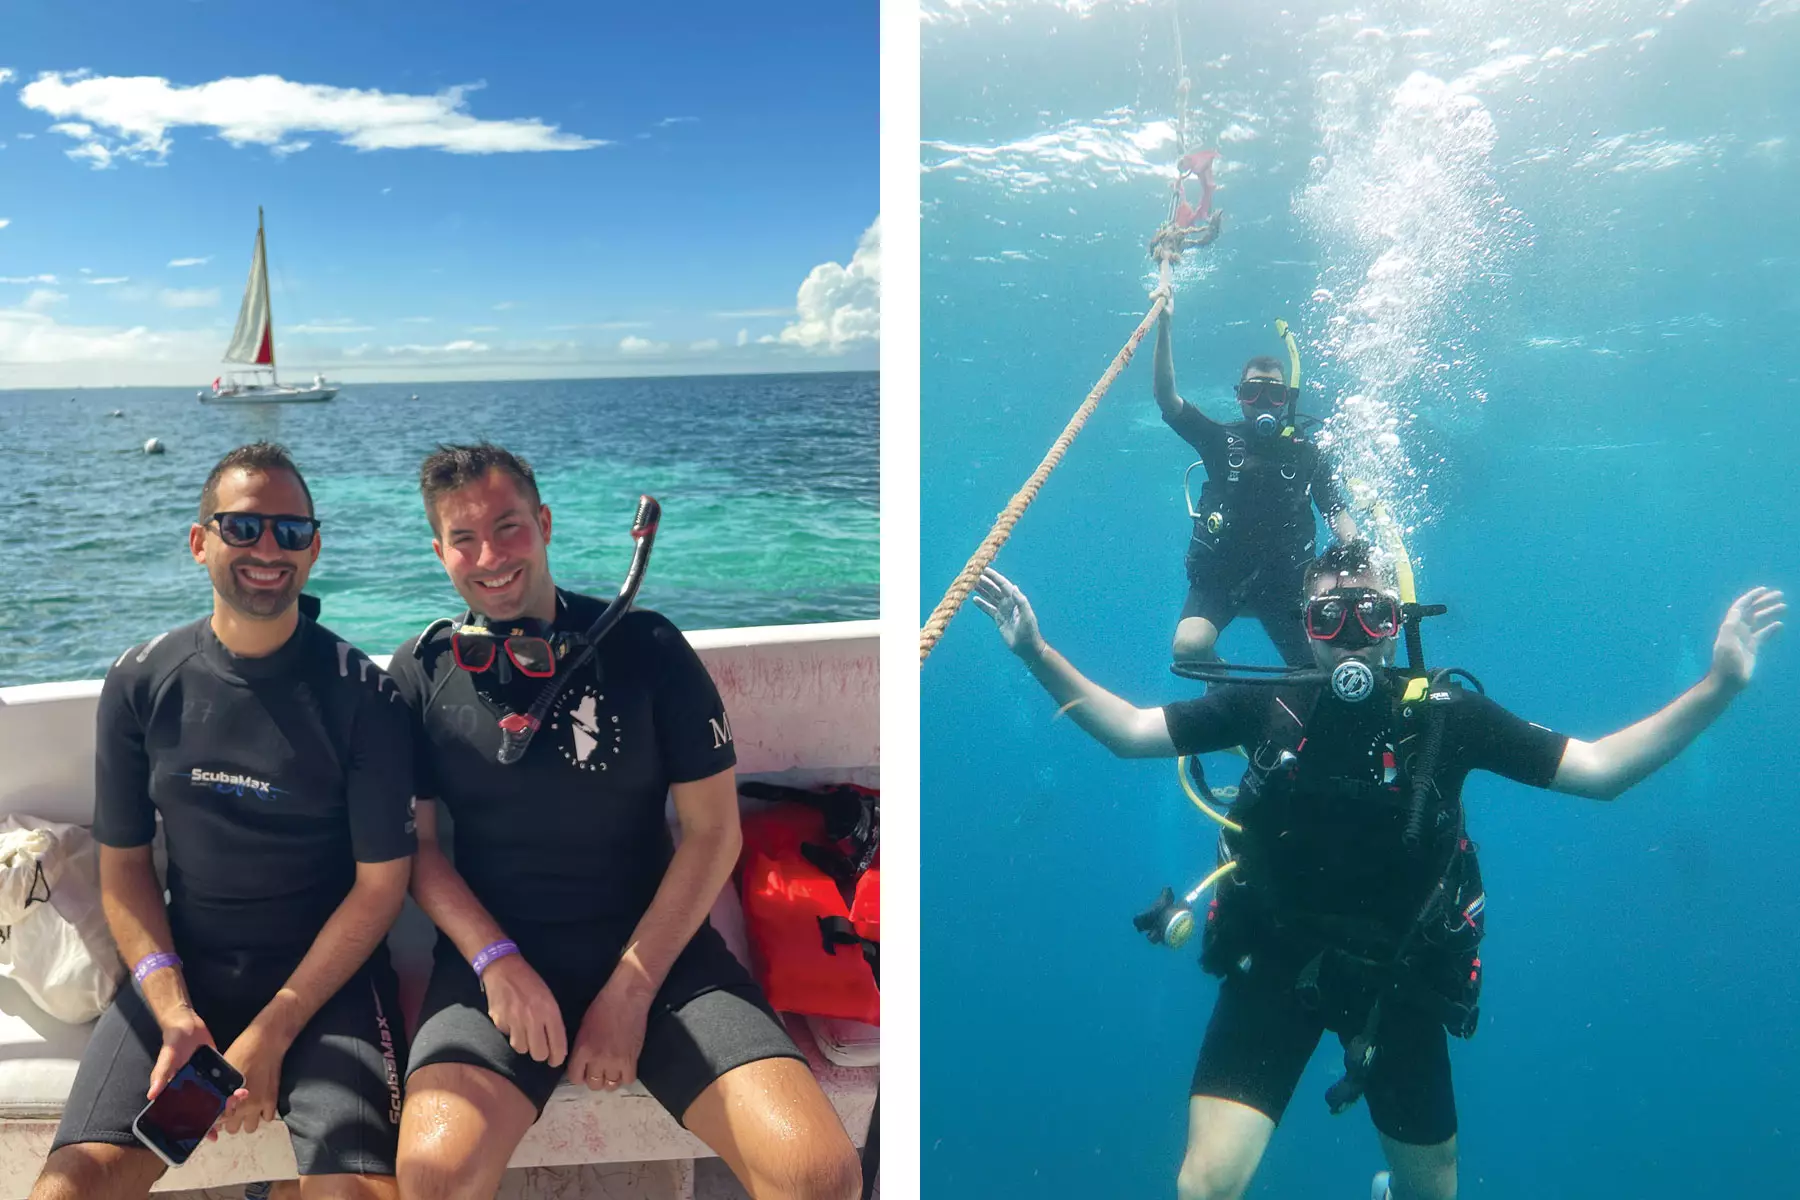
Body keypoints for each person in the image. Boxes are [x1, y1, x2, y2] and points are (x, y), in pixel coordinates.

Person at [971, 546, 1783, 1200]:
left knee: (1436, 1196)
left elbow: (1601, 769)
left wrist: (1719, 686)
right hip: (1275, 963)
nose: (1354, 632)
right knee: (1207, 1185)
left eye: (1373, 612)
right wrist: (1036, 652)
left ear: (1397, 625)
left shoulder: (1447, 716)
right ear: (1306, 628)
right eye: (1331, 615)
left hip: (1397, 982)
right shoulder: (1265, 706)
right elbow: (1129, 731)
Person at [384, 443, 862, 1200]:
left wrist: (630, 992)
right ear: (438, 550)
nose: (490, 555)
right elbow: (416, 848)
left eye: (508, 527)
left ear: (543, 523)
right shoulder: (421, 671)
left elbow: (714, 833)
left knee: (820, 1176)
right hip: (497, 968)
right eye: (464, 538)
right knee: (432, 1178)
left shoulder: (648, 647)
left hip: (661, 959)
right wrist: (496, 964)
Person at [31, 443, 417, 1200]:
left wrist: (274, 1030)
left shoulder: (365, 697)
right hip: (190, 973)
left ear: (314, 548)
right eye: (242, 528)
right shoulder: (142, 680)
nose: (268, 548)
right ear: (199, 540)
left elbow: (380, 890)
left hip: (330, 988)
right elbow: (126, 867)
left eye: (291, 530)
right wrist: (174, 1011)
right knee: (66, 1190)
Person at [1148, 292, 1359, 668]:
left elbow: (1336, 511)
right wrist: (1163, 326)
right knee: (1187, 649)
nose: (1262, 401)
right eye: (1252, 391)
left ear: (1286, 400)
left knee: (1319, 667)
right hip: (1223, 576)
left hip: (1287, 584)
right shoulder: (1219, 440)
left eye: (1274, 394)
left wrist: (1359, 551)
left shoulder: (1307, 453)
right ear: (1241, 397)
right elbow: (1167, 399)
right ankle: (1219, 679)